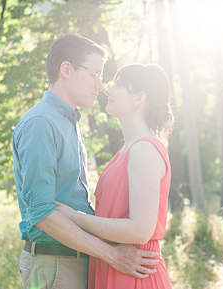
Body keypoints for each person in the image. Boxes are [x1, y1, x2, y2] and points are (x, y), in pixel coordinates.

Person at [12, 33, 160, 289]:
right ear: (66, 69)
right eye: (95, 75)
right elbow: (42, 213)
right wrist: (112, 255)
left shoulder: (68, 121)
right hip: (56, 264)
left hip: (77, 260)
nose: (100, 86)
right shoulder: (41, 123)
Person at [55, 63, 173, 288]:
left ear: (139, 98)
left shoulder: (144, 149)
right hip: (118, 264)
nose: (108, 90)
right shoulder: (127, 149)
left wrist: (75, 217)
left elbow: (140, 230)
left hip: (134, 271)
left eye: (118, 85)